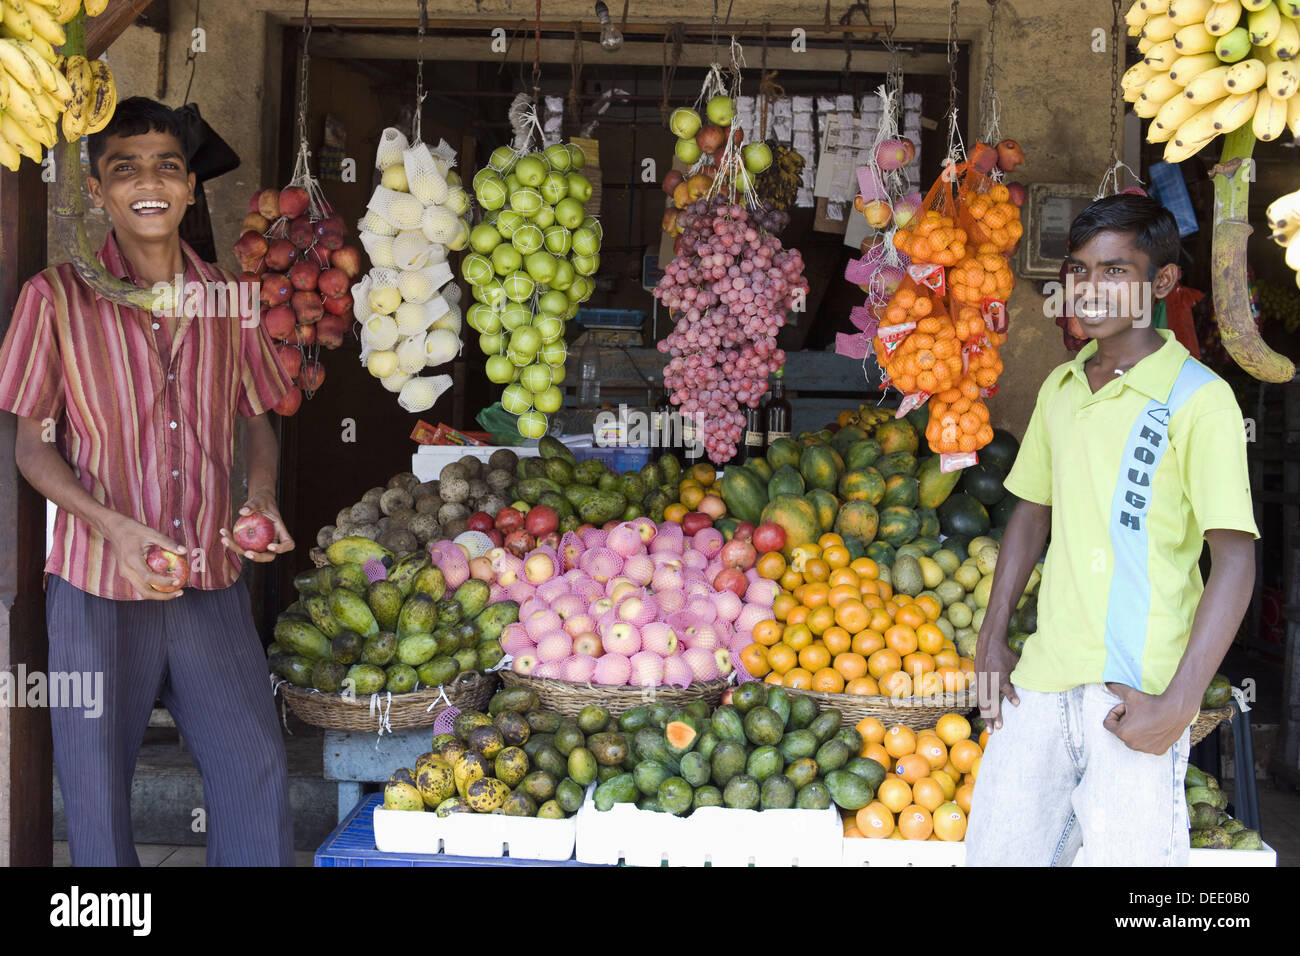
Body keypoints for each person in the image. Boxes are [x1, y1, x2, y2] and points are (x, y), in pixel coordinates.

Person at [0, 97, 296, 865]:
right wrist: (112, 527)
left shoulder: (229, 296)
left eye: (168, 165)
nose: (150, 183)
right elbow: (33, 449)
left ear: (191, 185)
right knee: (95, 790)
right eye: (124, 169)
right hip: (97, 585)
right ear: (98, 192)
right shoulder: (53, 298)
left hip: (210, 579)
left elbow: (257, 416)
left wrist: (258, 495)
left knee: (256, 765)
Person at [966, 194, 1257, 867]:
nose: (1090, 289)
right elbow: (1030, 510)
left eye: (1114, 271)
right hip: (1039, 684)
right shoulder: (1061, 387)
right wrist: (991, 632)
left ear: (1159, 283)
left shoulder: (1199, 398)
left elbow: (1234, 561)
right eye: (1079, 270)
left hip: (1138, 695)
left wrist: (1179, 704)